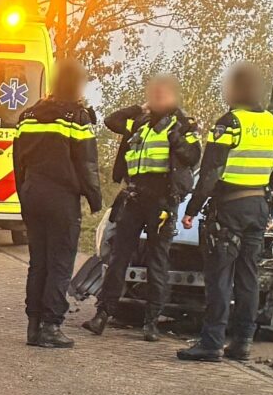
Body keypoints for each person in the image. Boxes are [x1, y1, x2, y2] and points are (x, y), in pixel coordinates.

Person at [175, 62, 273, 363]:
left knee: (220, 277)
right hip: (258, 207)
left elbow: (210, 172)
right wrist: (269, 209)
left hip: (230, 208)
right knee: (249, 276)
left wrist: (192, 210)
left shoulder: (229, 124)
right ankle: (242, 343)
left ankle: (211, 343)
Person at [84, 75, 195, 340]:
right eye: (154, 94)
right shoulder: (140, 123)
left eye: (163, 94)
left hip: (162, 202)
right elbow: (112, 120)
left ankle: (151, 322)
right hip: (134, 199)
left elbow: (193, 156)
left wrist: (178, 135)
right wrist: (140, 108)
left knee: (157, 261)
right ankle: (102, 314)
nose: (157, 98)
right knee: (118, 257)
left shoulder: (182, 124)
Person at [11, 63, 102, 349]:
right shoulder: (76, 117)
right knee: (60, 263)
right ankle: (51, 327)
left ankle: (34, 325)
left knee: (38, 262)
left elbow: (18, 162)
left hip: (33, 194)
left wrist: (23, 193)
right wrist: (95, 198)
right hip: (61, 199)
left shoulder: (28, 116)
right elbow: (87, 163)